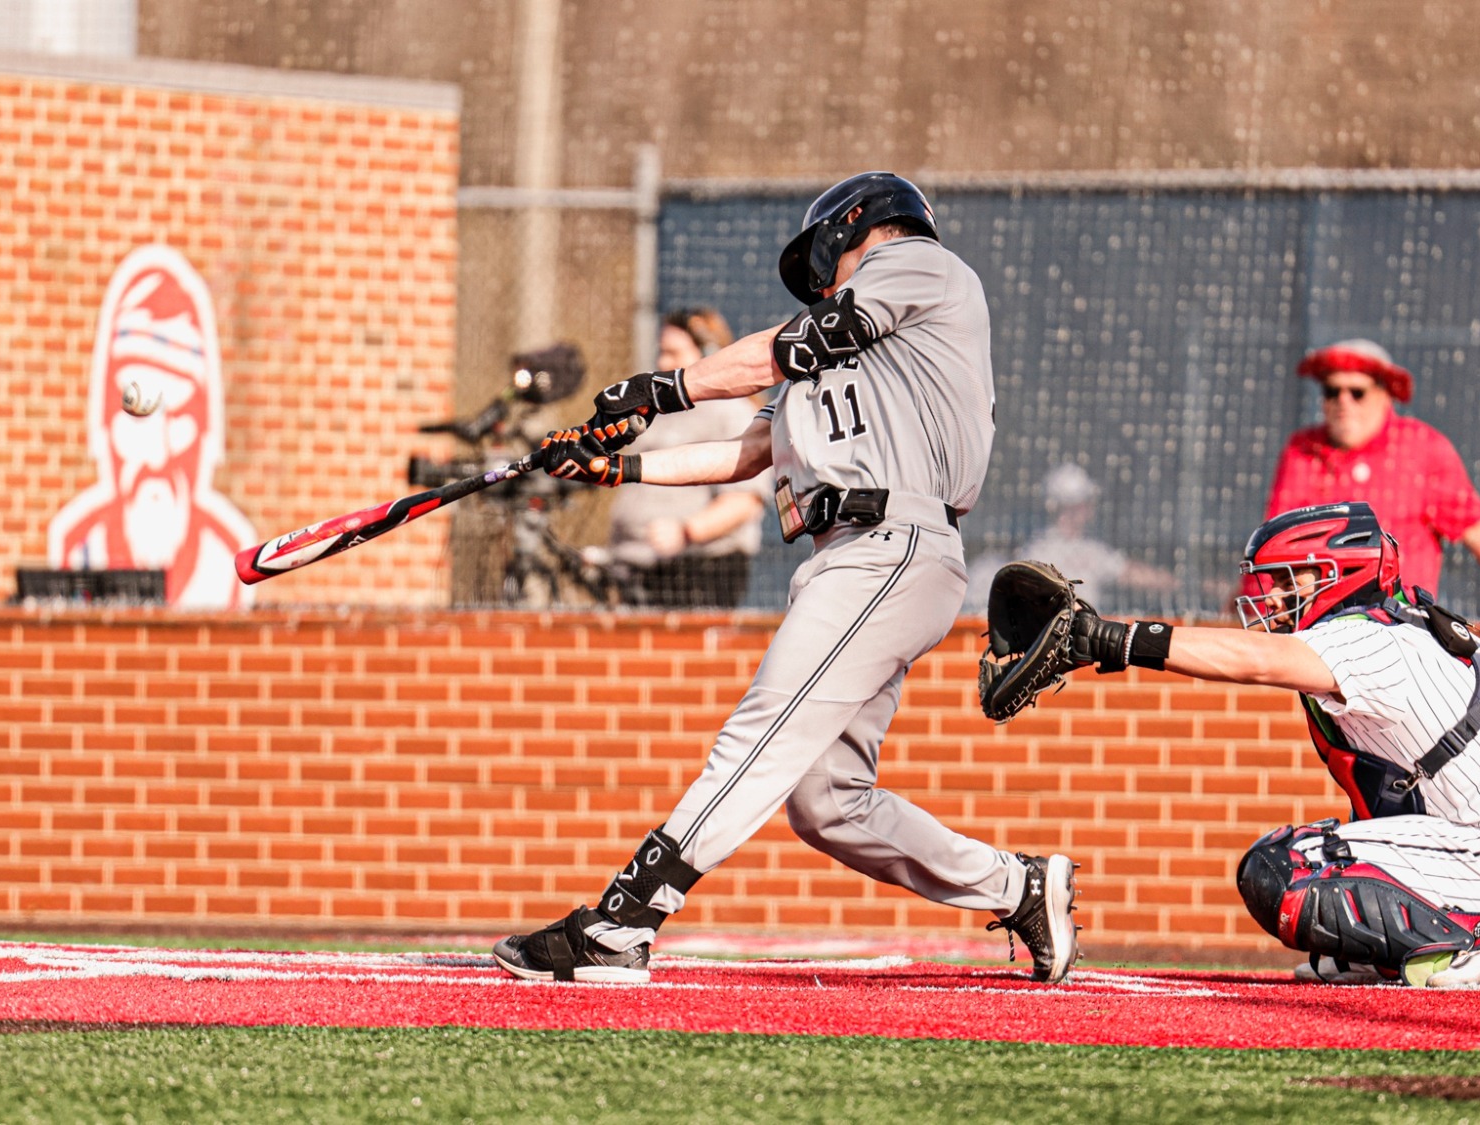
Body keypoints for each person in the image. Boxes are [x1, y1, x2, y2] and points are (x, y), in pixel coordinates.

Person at [493, 172, 1080, 984]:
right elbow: (748, 453)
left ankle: (625, 920)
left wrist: (661, 388)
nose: (820, 277)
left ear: (856, 226)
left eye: (824, 258)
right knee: (826, 799)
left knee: (762, 728)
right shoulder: (844, 355)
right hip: (845, 554)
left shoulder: (922, 266)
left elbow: (791, 344)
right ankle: (1016, 885)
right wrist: (614, 467)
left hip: (893, 539)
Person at [1018, 502, 1480, 986]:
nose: (1273, 596)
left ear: (1345, 576)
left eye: (1291, 579)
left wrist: (1111, 640)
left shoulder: (1364, 636)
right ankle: (1411, 947)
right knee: (1322, 866)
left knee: (1284, 869)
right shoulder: (1398, 628)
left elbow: (1253, 662)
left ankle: (1471, 948)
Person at [1264, 339, 1480, 623]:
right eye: (1333, 391)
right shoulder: (1301, 450)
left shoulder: (1422, 448)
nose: (1343, 402)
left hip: (1398, 632)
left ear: (1384, 394)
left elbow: (1477, 528)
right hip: (1314, 634)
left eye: (1357, 392)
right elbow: (1274, 545)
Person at [47, 245, 256, 608]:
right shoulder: (78, 548)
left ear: (207, 431)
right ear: (106, 426)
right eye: (137, 414)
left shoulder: (228, 563)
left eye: (180, 417)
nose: (158, 453)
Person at [605, 309, 770, 608]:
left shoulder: (732, 411)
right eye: (661, 352)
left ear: (709, 354)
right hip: (639, 569)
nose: (663, 363)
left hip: (699, 572)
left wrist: (686, 532)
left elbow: (745, 502)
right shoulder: (656, 411)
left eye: (673, 352)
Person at [1018, 463, 1177, 612]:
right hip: (1056, 637)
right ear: (1072, 507)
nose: (1091, 508)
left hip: (1085, 635)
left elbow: (1129, 573)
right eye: (1086, 502)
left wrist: (1179, 584)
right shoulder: (1038, 551)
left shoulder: (1088, 549)